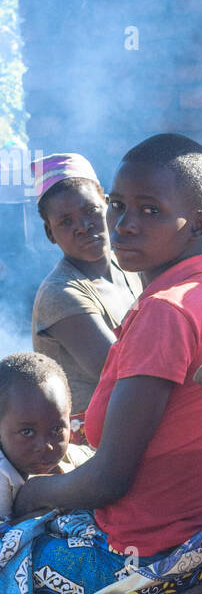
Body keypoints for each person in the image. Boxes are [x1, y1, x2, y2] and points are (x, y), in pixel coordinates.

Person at [2, 134, 202, 594]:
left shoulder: (165, 312)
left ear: (198, 224)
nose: (124, 225)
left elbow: (109, 479)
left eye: (151, 211)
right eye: (120, 206)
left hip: (145, 553)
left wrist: (30, 496)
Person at [31, 154, 140, 441]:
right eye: (65, 221)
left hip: (134, 419)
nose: (82, 226)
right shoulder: (61, 293)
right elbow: (125, 373)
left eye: (91, 210)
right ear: (49, 233)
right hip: (91, 444)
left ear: (108, 204)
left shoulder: (129, 268)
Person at [0, 353, 90, 523]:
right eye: (27, 432)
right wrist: (43, 514)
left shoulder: (70, 454)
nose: (46, 446)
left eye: (56, 429)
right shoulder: (3, 474)